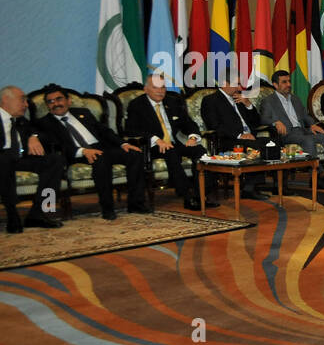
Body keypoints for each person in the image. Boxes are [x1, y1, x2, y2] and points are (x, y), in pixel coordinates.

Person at [37, 85, 148, 220]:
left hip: (102, 148)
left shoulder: (83, 112)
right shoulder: (44, 123)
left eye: (59, 99)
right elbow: (56, 145)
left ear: (68, 100)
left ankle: (136, 204)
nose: (55, 104)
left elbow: (104, 131)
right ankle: (107, 208)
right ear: (47, 106)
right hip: (77, 153)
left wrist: (123, 143)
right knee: (100, 159)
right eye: (51, 101)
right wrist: (83, 151)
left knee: (134, 154)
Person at [124, 70, 211, 211]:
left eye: (163, 87)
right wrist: (156, 139)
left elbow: (188, 123)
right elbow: (131, 130)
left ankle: (201, 195)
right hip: (151, 147)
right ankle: (187, 196)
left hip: (174, 143)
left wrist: (193, 137)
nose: (160, 91)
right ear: (146, 89)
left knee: (200, 152)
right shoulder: (137, 105)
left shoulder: (172, 102)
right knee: (171, 152)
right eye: (155, 87)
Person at [259, 70, 324, 187]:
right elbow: (263, 119)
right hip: (287, 134)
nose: (289, 84)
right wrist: (275, 122)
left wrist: (312, 124)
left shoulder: (295, 98)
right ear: (275, 85)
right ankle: (315, 178)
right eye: (284, 82)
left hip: (303, 131)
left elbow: (305, 115)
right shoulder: (268, 101)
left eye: (289, 81)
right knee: (309, 140)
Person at [0, 85, 64, 232]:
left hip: (20, 159)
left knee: (55, 160)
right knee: (4, 159)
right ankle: (12, 212)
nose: (26, 105)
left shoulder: (21, 120)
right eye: (22, 100)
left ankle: (39, 213)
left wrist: (33, 137)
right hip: (2, 160)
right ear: (5, 100)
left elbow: (37, 131)